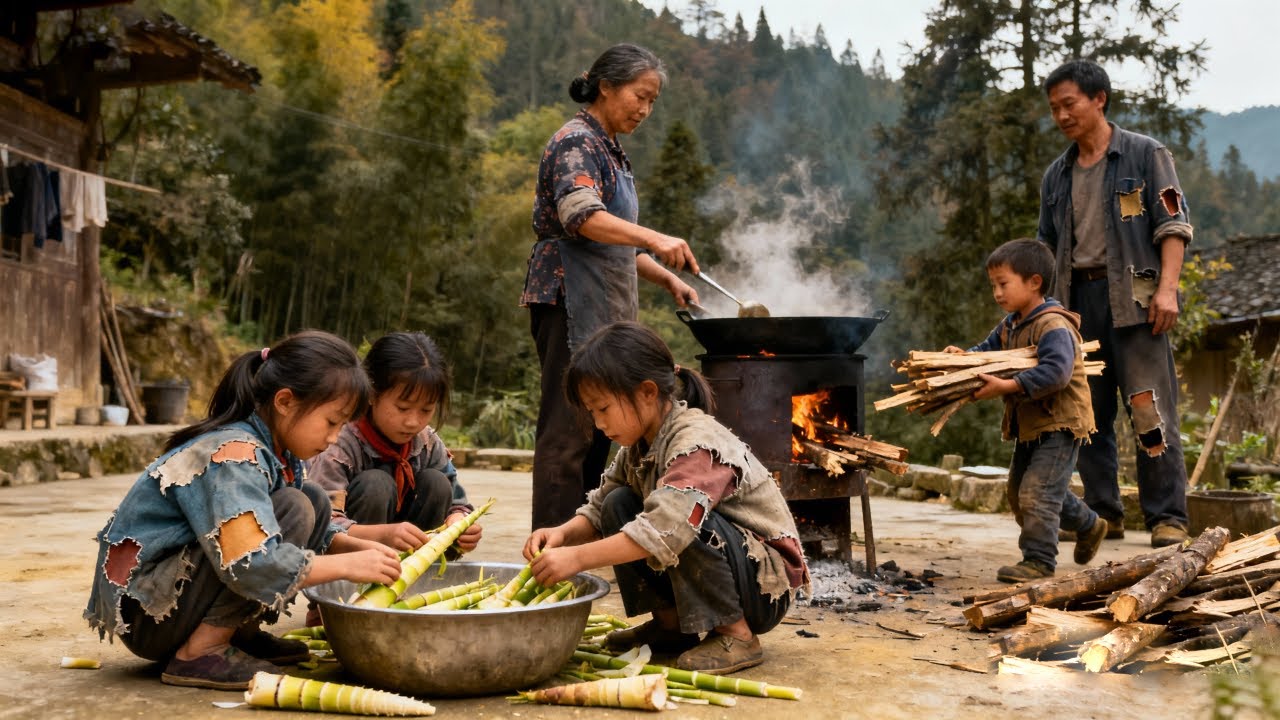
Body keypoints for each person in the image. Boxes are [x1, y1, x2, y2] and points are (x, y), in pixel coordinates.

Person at [84, 331, 404, 690]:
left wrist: (356, 547)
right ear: (285, 401)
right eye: (332, 422)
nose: (334, 438)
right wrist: (346, 567)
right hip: (151, 614)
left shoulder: (278, 454)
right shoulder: (233, 454)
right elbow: (251, 562)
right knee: (295, 506)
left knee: (309, 498)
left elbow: (305, 528)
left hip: (179, 604)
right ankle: (201, 651)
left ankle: (237, 634)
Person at [522, 321, 808, 674]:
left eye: (603, 409)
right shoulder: (641, 443)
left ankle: (738, 636)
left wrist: (577, 558)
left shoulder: (696, 442)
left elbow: (664, 531)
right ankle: (672, 627)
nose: (598, 423)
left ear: (646, 392)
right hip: (729, 564)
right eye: (591, 412)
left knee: (682, 522)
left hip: (763, 587)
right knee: (619, 504)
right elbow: (602, 503)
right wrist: (562, 534)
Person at [520, 43, 703, 531]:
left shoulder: (611, 151)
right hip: (570, 301)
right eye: (639, 96)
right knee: (569, 432)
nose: (644, 109)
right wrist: (655, 236)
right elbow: (581, 217)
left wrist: (666, 276)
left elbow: (615, 240)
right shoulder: (575, 142)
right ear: (606, 86)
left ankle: (578, 546)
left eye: (652, 102)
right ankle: (551, 555)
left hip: (606, 308)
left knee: (604, 429)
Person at [1037, 59, 1194, 548]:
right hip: (1077, 304)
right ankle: (1104, 512)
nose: (1062, 115)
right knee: (1088, 413)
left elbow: (1173, 226)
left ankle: (1167, 517)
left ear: (1099, 98)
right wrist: (1046, 312)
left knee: (1149, 409)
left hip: (1138, 299)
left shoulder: (1146, 156)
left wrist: (1168, 289)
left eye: (1070, 104)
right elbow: (1045, 246)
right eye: (1055, 108)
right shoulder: (1057, 176)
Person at [945, 239, 1107, 583]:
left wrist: (1007, 387)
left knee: (1038, 493)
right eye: (993, 286)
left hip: (1061, 423)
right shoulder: (1010, 325)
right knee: (1024, 493)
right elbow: (987, 351)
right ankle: (1090, 524)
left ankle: (1038, 561)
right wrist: (963, 359)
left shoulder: (1053, 326)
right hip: (1031, 424)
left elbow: (1057, 373)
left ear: (1034, 282)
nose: (997, 293)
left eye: (1003, 284)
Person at [308, 331, 481, 554]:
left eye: (426, 410)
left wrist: (461, 522)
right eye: (403, 408)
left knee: (437, 482)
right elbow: (325, 524)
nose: (413, 422)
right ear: (372, 394)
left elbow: (458, 503)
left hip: (413, 550)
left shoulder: (426, 441)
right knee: (375, 483)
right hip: (353, 553)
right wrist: (384, 534)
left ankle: (427, 567)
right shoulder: (340, 445)